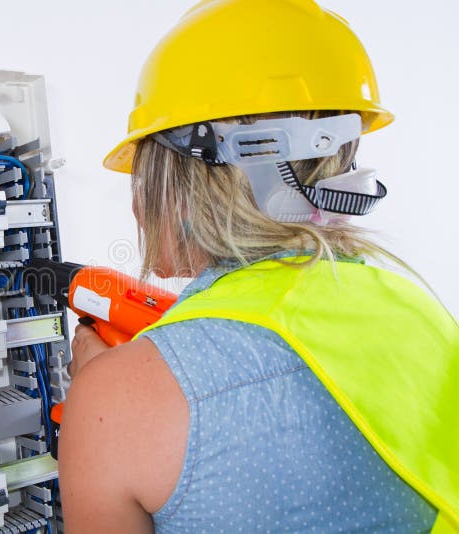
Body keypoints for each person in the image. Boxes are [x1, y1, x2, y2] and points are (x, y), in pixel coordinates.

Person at [58, 0, 459, 532]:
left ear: (180, 183)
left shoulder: (111, 403)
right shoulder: (421, 314)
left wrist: (100, 400)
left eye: (144, 173)